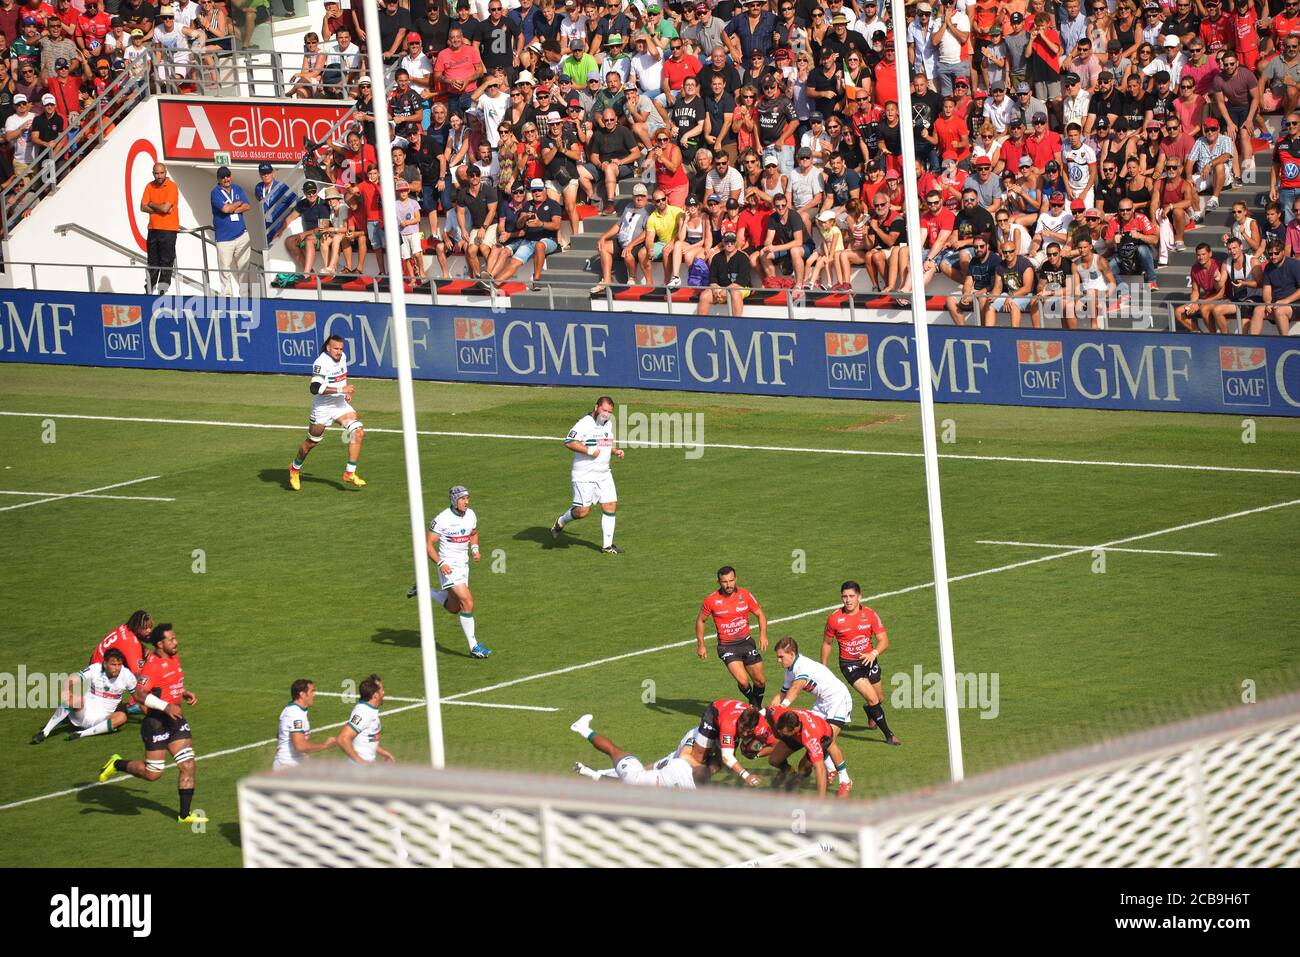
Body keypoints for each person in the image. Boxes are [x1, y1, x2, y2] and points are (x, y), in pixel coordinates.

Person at [96, 623, 207, 825]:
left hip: (175, 721)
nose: (176, 642)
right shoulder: (152, 665)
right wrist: (166, 707)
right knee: (153, 774)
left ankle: (184, 815)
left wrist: (182, 692)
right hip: (156, 723)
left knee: (188, 765)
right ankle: (117, 763)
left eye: (175, 638)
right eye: (171, 639)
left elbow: (166, 684)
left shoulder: (174, 658)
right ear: (160, 644)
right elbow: (140, 694)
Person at [771, 637, 854, 796]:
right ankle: (830, 769)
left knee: (827, 740)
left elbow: (796, 688)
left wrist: (783, 707)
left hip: (837, 699)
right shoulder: (790, 671)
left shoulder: (802, 666)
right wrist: (766, 711)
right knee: (815, 736)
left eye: (781, 656)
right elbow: (782, 694)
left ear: (792, 654)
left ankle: (845, 780)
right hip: (822, 702)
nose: (778, 660)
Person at [822, 580, 899, 745]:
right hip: (850, 665)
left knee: (879, 698)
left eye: (851, 596)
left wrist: (874, 653)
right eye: (844, 596)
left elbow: (884, 640)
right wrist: (824, 667)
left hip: (870, 661)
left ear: (859, 597)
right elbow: (827, 643)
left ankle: (870, 712)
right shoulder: (834, 619)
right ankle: (889, 735)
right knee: (873, 699)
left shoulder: (870, 614)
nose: (848, 600)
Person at [288, 333, 366, 491]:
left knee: (358, 432)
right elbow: (314, 388)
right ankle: (295, 468)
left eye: (341, 348)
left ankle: (349, 473)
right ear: (328, 348)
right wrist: (340, 389)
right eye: (336, 348)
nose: (339, 351)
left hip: (339, 405)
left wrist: (345, 393)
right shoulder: (321, 362)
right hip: (322, 408)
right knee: (311, 443)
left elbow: (340, 377)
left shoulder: (342, 357)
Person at [551, 395, 624, 554]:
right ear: (596, 406)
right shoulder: (584, 423)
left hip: (604, 473)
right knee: (582, 511)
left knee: (610, 504)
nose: (606, 414)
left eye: (609, 412)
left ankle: (607, 546)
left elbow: (605, 443)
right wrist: (589, 450)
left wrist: (615, 450)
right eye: (604, 410)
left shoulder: (607, 423)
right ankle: (561, 521)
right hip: (584, 474)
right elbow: (569, 441)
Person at [696, 565, 768, 706]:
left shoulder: (745, 595)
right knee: (742, 681)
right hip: (727, 646)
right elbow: (700, 620)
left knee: (760, 681)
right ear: (719, 582)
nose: (728, 585)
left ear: (736, 579)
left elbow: (760, 614)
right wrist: (701, 645)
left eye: (731, 580)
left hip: (746, 642)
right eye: (724, 582)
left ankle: (755, 707)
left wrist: (763, 635)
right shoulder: (711, 600)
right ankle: (754, 704)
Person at [33, 648, 135, 743]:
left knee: (122, 717)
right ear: (105, 664)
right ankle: (45, 732)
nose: (117, 668)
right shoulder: (95, 668)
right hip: (82, 714)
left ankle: (81, 734)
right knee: (77, 698)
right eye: (113, 664)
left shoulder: (127, 675)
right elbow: (74, 677)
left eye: (119, 664)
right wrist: (66, 689)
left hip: (101, 720)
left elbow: (138, 695)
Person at [570, 712, 696, 788]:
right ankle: (592, 773)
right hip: (643, 795)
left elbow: (682, 757)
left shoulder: (679, 766)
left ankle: (581, 728)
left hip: (637, 779)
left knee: (613, 750)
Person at [684, 698, 770, 786]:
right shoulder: (729, 725)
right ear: (738, 721)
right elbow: (727, 757)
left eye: (749, 732)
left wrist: (757, 752)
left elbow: (774, 743)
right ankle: (685, 781)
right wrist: (746, 776)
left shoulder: (761, 725)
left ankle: (698, 780)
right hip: (713, 716)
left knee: (719, 762)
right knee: (699, 757)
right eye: (742, 729)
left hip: (729, 717)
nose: (744, 734)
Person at [273, 679, 337, 770]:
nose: (314, 695)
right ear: (302, 694)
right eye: (312, 691)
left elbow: (281, 733)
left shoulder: (292, 710)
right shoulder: (295, 714)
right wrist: (325, 745)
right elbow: (300, 746)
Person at [210, 165, 252, 298]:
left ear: (231, 176)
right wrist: (237, 203)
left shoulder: (237, 188)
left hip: (241, 234)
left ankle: (245, 296)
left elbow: (247, 206)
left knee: (244, 268)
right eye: (223, 177)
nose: (226, 179)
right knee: (225, 269)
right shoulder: (215, 192)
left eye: (228, 176)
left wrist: (232, 207)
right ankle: (227, 296)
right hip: (224, 238)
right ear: (218, 179)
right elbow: (225, 210)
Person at [337, 674, 395, 764]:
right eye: (382, 690)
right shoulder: (363, 713)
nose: (383, 693)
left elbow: (366, 739)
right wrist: (361, 762)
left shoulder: (368, 711)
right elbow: (342, 738)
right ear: (375, 695)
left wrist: (383, 753)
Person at [140, 161, 179, 295]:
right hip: (153, 228)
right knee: (152, 261)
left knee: (166, 261)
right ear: (153, 174)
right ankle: (149, 289)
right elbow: (142, 207)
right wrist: (158, 207)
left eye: (161, 173)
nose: (159, 176)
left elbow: (165, 208)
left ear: (165, 172)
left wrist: (151, 204)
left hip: (168, 229)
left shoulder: (172, 187)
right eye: (156, 173)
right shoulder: (149, 186)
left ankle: (162, 290)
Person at [946, 235, 1001, 325]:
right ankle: (964, 331)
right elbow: (968, 282)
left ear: (987, 246)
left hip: (989, 291)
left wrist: (974, 295)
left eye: (981, 246)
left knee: (983, 299)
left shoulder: (995, 260)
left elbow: (992, 285)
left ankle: (982, 332)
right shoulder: (974, 260)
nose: (978, 249)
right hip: (975, 291)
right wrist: (966, 294)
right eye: (975, 247)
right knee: (950, 300)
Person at [1250, 239, 1300, 334]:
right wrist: (1268, 303)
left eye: (1276, 253)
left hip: (1295, 303)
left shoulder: (1295, 265)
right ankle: (1253, 344)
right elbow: (1267, 290)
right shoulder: (1269, 267)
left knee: (1280, 311)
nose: (1273, 256)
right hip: (1277, 304)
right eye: (1270, 254)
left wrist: (1286, 301)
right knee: (1258, 310)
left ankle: (1283, 344)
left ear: (1283, 252)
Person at [698, 230, 752, 314]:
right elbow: (712, 278)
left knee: (735, 293)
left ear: (735, 242)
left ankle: (737, 325)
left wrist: (726, 290)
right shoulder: (716, 257)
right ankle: (701, 325)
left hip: (741, 287)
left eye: (732, 242)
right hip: (722, 287)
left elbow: (742, 281)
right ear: (723, 242)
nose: (729, 244)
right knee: (704, 295)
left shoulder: (743, 258)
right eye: (727, 242)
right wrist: (715, 289)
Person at [985, 240, 1037, 326]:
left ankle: (1014, 335)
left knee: (1013, 305)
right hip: (1009, 295)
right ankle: (989, 335)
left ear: (1016, 251)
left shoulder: (1025, 263)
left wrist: (1011, 296)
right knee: (990, 305)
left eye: (1011, 251)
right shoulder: (1000, 266)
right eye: (1005, 252)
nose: (1008, 254)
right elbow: (998, 288)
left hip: (1027, 295)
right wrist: (992, 296)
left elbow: (1027, 288)